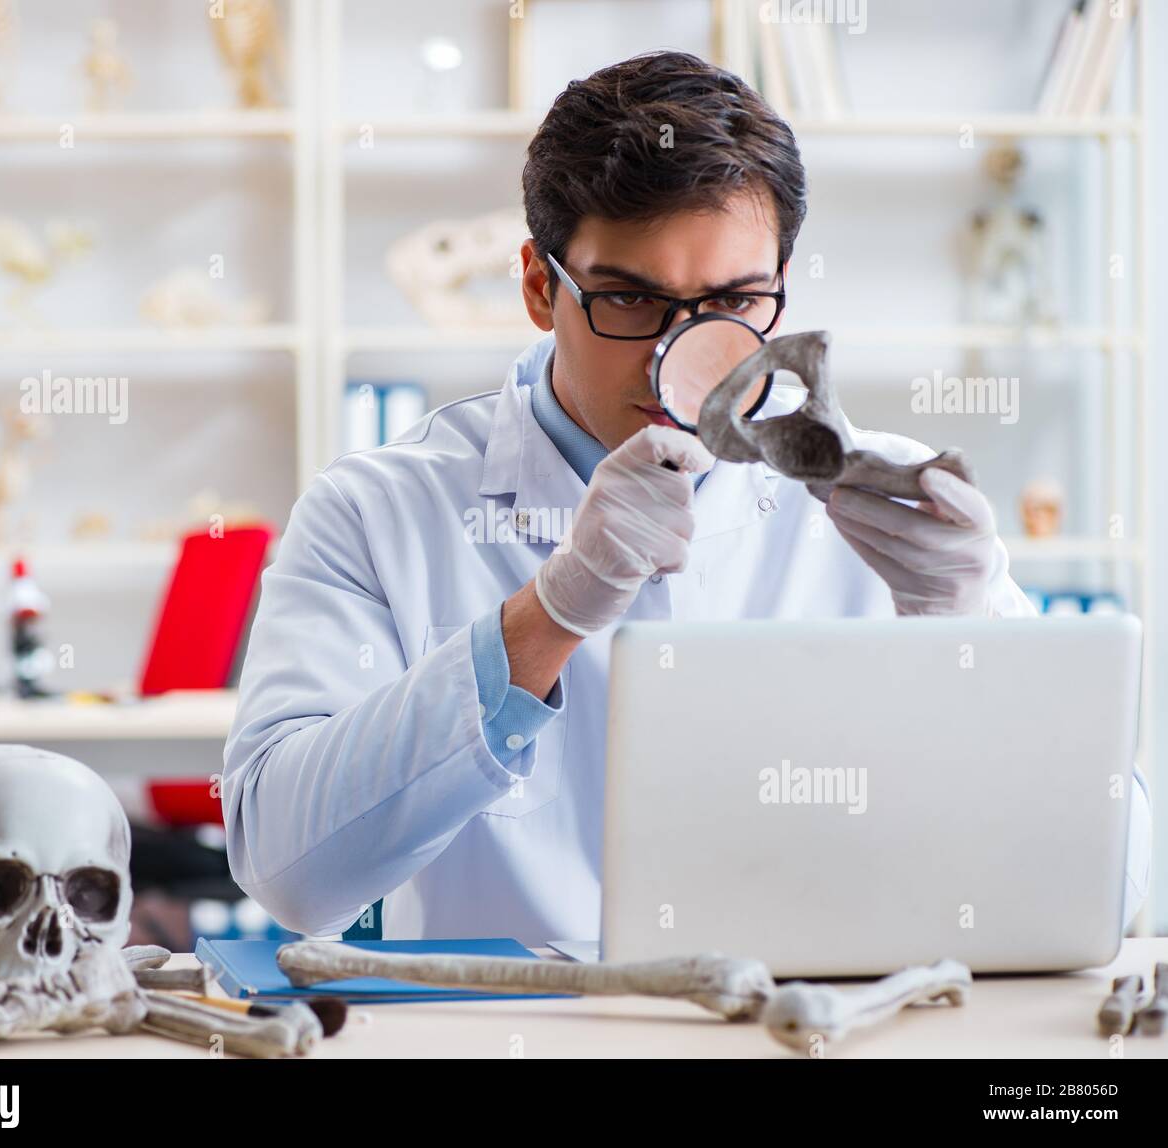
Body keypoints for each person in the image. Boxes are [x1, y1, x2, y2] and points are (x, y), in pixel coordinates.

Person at [222, 51, 1150, 945]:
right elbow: (285, 869)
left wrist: (973, 642)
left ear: (781, 290)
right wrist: (543, 621)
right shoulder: (376, 510)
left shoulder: (898, 504)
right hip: (513, 1026)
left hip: (818, 1021)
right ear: (541, 287)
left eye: (736, 303)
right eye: (631, 303)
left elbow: (1116, 887)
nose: (682, 361)